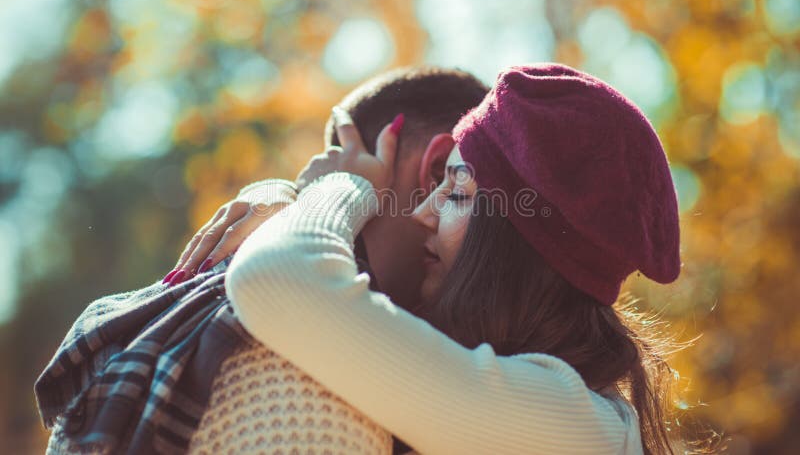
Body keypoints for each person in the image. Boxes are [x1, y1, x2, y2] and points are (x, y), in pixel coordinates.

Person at [224, 63, 685, 454]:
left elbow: (274, 281)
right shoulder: (564, 405)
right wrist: (278, 194)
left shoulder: (572, 424)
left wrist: (338, 187)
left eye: (458, 192)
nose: (425, 213)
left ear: (521, 244)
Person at [36, 67, 489, 454]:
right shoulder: (315, 385)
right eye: (466, 194)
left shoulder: (197, 325)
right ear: (436, 172)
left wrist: (296, 193)